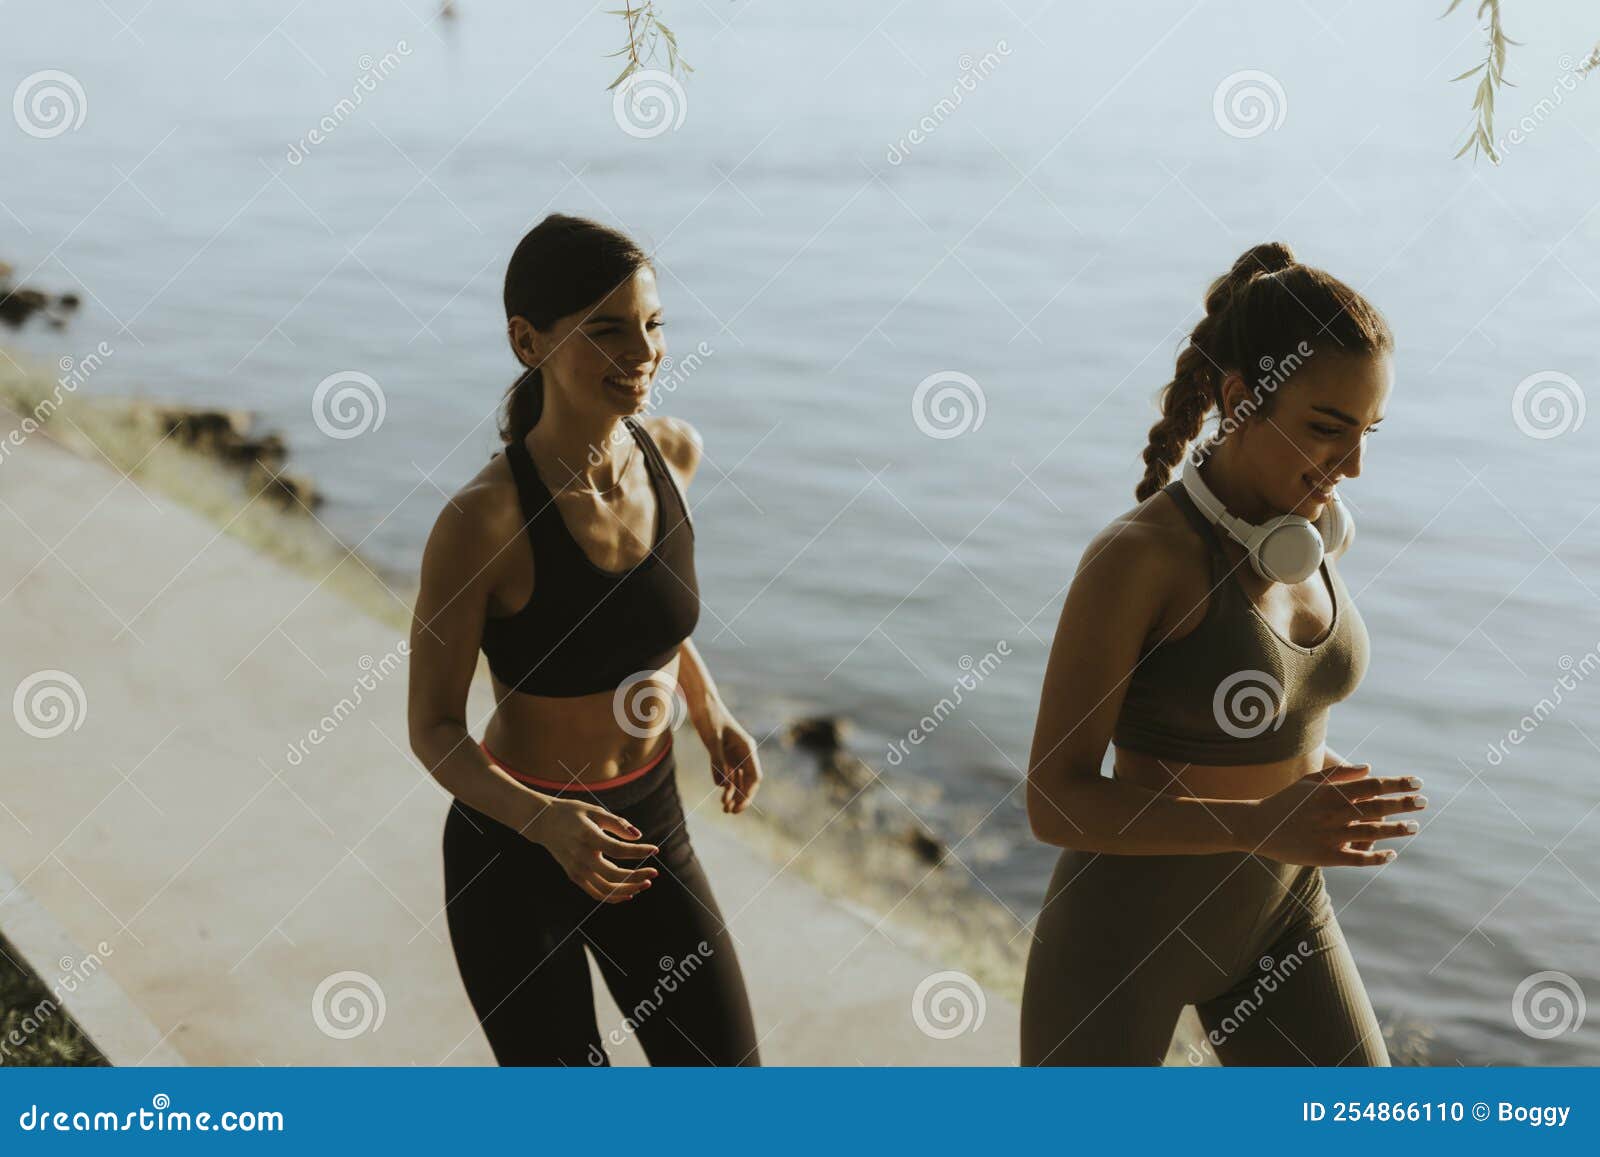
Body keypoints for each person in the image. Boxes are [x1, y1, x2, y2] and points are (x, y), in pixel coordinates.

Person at [1020, 241, 1425, 1066]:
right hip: (1120, 940)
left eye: (1368, 432)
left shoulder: (1308, 538)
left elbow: (1257, 724)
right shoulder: (1137, 559)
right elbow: (1053, 801)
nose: (1352, 466)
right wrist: (1263, 820)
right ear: (1242, 399)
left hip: (1281, 914)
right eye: (1327, 429)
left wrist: (1321, 784)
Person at [408, 213, 762, 1065]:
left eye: (652, 324)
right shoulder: (482, 521)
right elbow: (435, 731)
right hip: (515, 848)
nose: (641, 351)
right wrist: (545, 821)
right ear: (528, 341)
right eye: (606, 330)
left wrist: (711, 714)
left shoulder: (671, 454)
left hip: (647, 827)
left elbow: (645, 623)